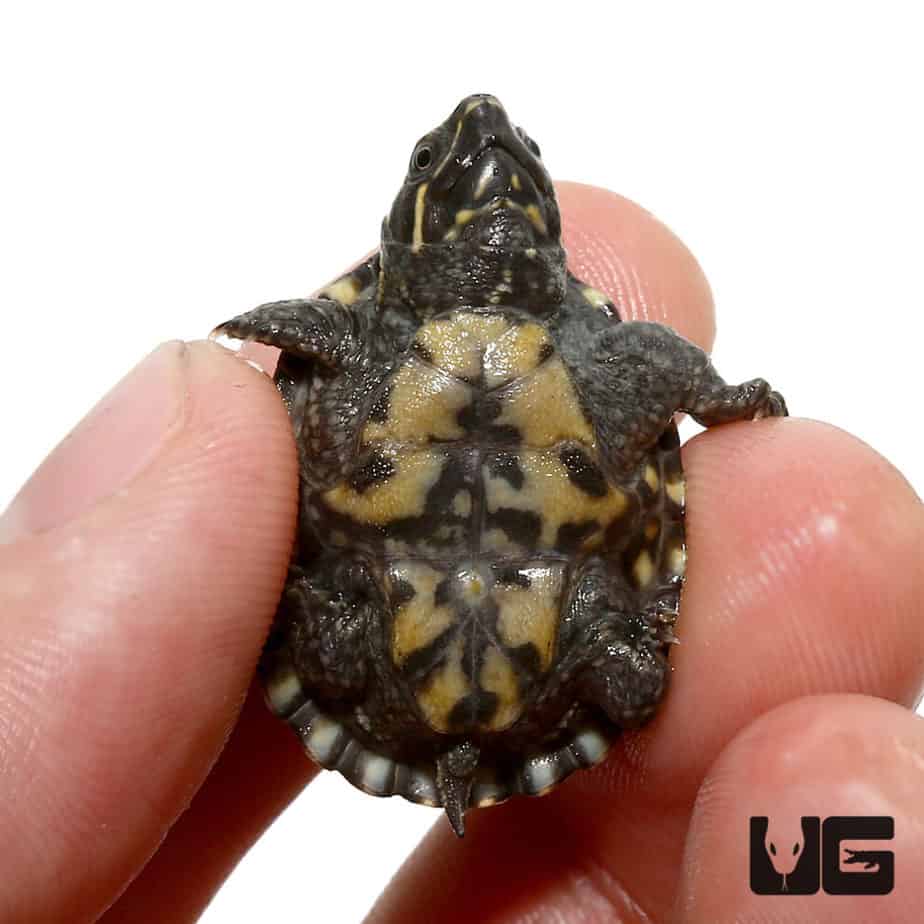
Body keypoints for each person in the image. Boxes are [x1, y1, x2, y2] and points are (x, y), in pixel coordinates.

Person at [1, 183, 921, 923]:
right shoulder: (589, 360)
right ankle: (602, 661)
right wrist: (723, 398)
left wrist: (252, 339)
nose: (482, 150)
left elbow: (291, 348)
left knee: (607, 673)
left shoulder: (362, 335)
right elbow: (664, 371)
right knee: (632, 681)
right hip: (546, 635)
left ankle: (587, 661)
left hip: (382, 655)